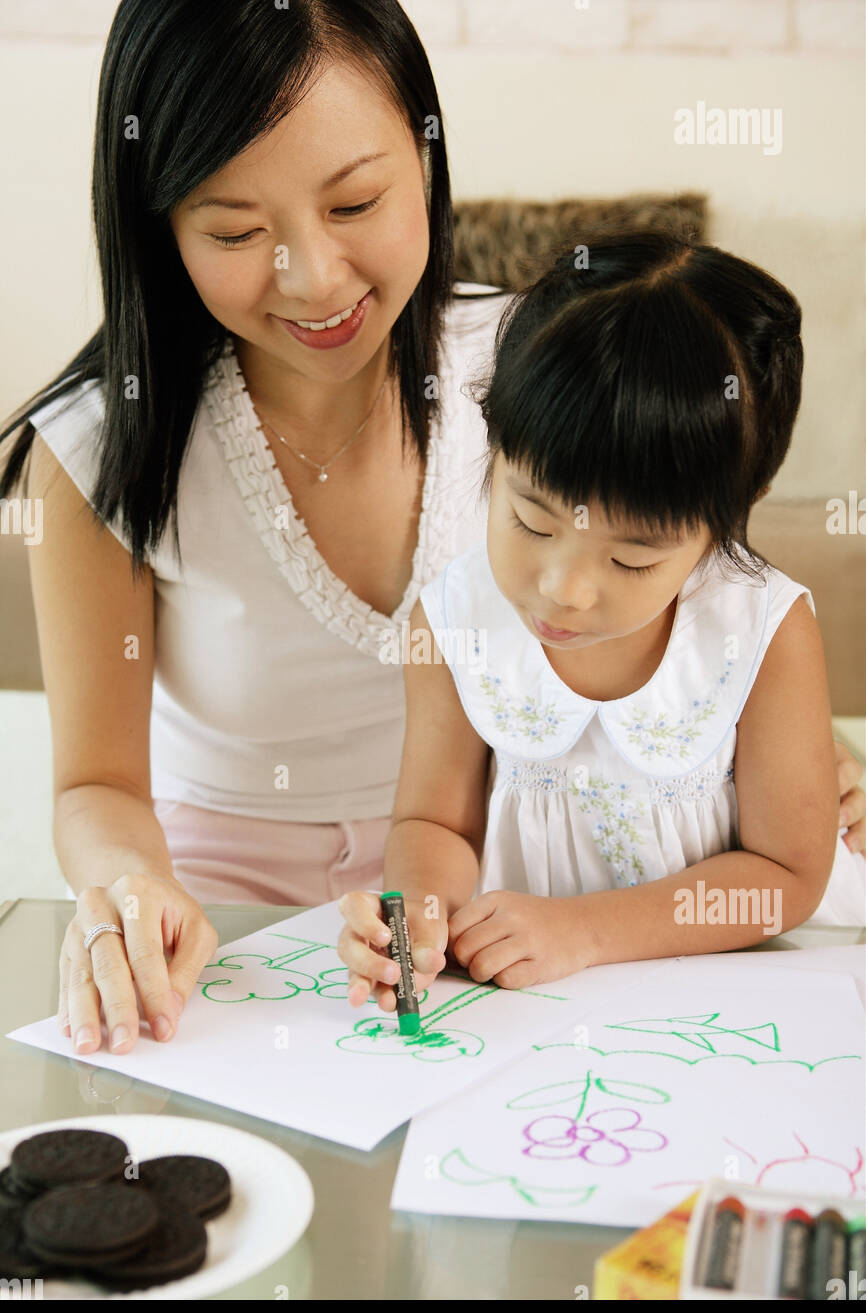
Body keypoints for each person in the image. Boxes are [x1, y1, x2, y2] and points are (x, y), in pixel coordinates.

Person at [0, 4, 860, 1057]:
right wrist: (130, 886)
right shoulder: (102, 452)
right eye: (233, 229)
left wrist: (770, 750)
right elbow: (96, 785)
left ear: (424, 151)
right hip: (227, 924)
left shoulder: (536, 372)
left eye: (355, 200)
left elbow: (693, 598)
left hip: (504, 906)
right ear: (156, 222)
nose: (312, 278)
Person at [337, 232, 866, 1009]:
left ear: (719, 528)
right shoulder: (452, 622)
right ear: (494, 449)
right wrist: (417, 918)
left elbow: (785, 875)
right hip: (542, 1002)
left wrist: (586, 932)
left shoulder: (762, 628)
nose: (565, 590)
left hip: (743, 991)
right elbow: (435, 824)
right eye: (533, 521)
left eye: (632, 560)